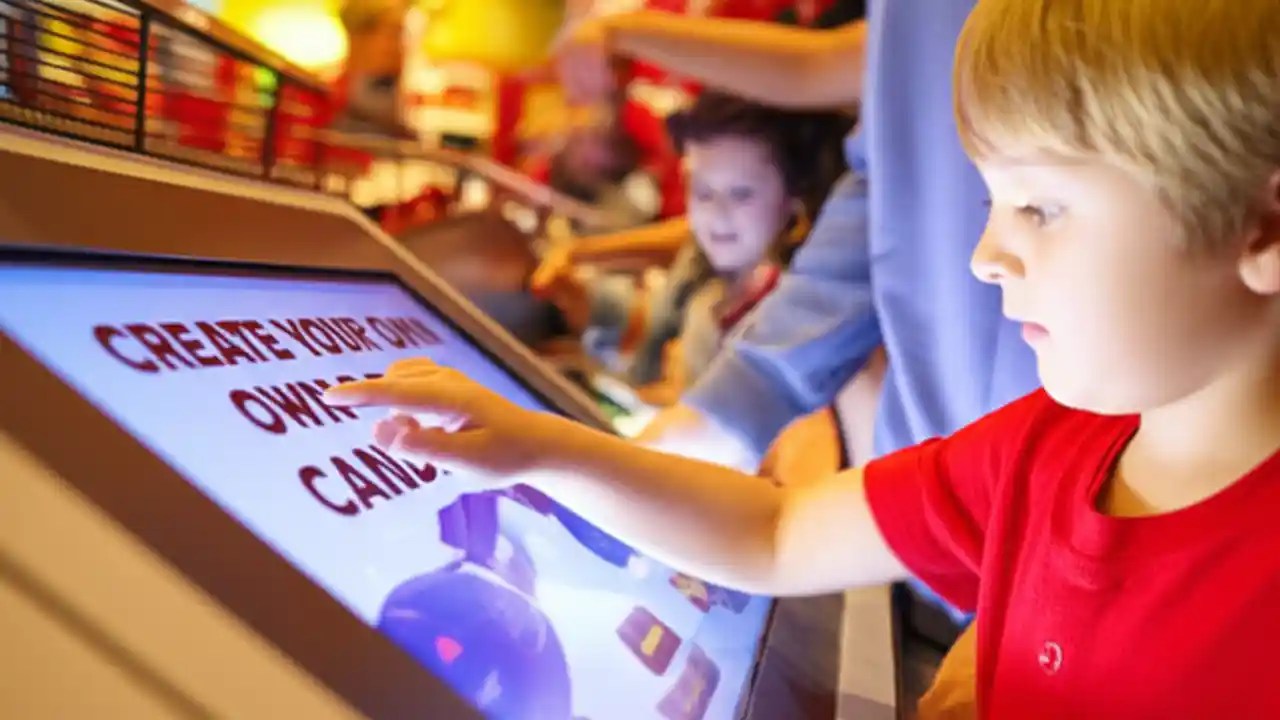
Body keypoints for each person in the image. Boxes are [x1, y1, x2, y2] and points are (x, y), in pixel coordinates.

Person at [327, 0, 1280, 716]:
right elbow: (777, 533)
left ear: (1262, 225)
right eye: (988, 202)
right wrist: (549, 450)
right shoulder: (1045, 446)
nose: (984, 256)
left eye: (1040, 207)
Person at [539, 91, 853, 401]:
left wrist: (673, 397)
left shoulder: (782, 323)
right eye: (702, 192)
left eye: (741, 194)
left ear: (795, 202)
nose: (716, 214)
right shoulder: (715, 283)